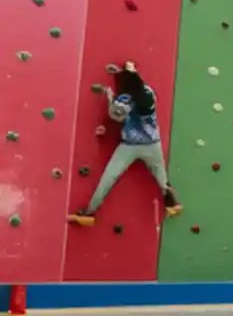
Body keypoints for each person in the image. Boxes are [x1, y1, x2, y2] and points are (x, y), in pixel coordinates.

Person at [68, 61, 182, 226]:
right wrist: (120, 72)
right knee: (161, 177)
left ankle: (89, 212)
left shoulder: (124, 100)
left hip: (129, 145)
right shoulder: (149, 92)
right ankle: (173, 204)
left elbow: (116, 116)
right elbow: (135, 83)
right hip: (152, 143)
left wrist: (109, 96)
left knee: (109, 177)